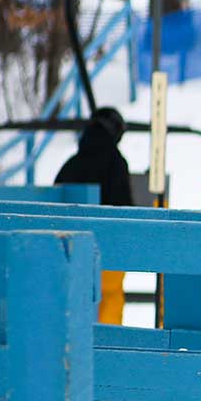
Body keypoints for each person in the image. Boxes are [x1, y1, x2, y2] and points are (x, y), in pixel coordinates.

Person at [54, 107, 133, 325]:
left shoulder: (71, 164)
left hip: (71, 249)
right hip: (109, 249)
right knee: (110, 297)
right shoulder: (116, 163)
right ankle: (107, 348)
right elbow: (123, 207)